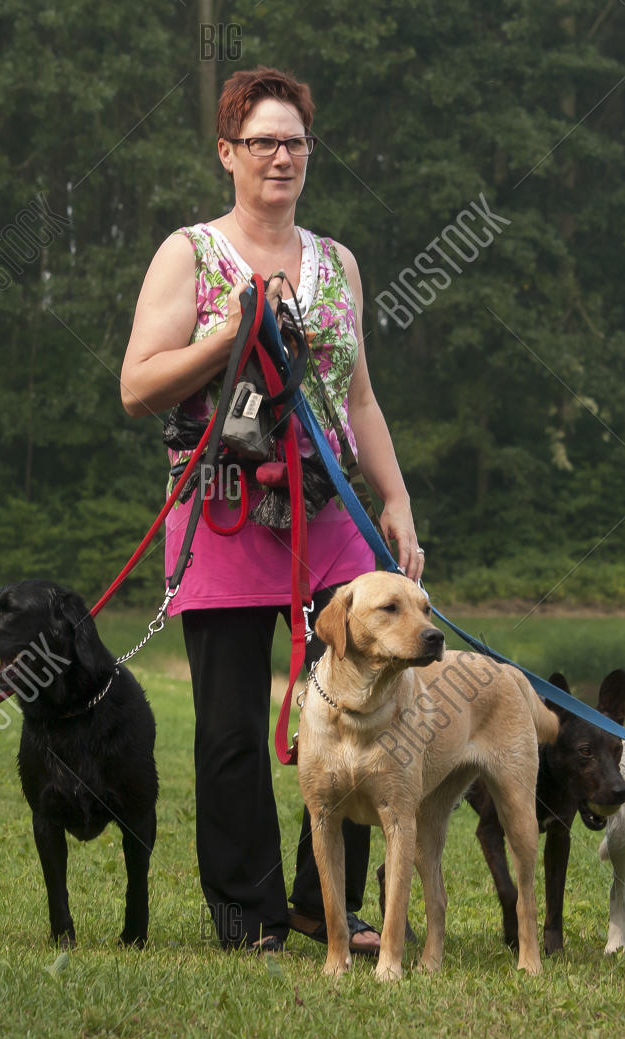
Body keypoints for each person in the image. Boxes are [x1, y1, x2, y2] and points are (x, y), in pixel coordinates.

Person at [120, 66, 424, 951]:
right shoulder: (191, 254)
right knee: (233, 726)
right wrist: (229, 332)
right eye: (262, 141)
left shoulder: (339, 265)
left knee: (366, 699)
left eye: (293, 141)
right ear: (228, 153)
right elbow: (137, 386)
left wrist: (397, 501)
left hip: (327, 517)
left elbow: (358, 398)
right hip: (220, 514)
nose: (280, 156)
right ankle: (246, 910)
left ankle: (324, 898)